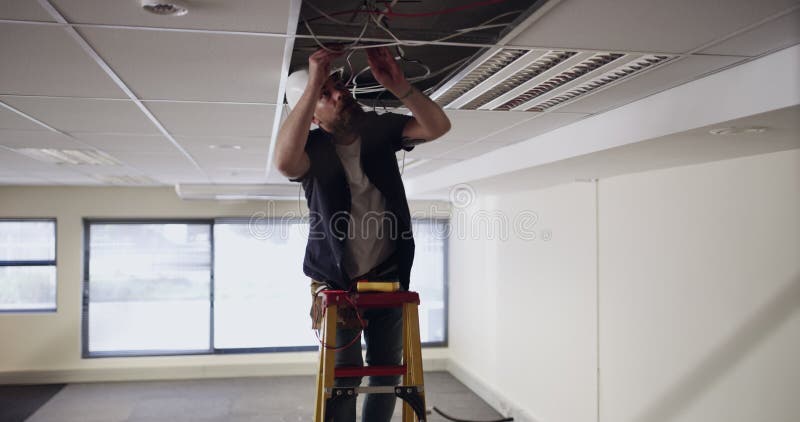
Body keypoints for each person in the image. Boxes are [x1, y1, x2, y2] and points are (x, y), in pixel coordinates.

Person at [274, 46, 451, 422]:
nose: (340, 94)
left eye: (339, 87)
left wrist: (399, 85)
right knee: (343, 377)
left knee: (387, 371)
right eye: (327, 94)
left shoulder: (377, 130)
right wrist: (312, 85)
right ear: (313, 117)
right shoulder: (313, 150)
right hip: (335, 281)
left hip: (386, 275)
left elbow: (438, 126)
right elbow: (284, 162)